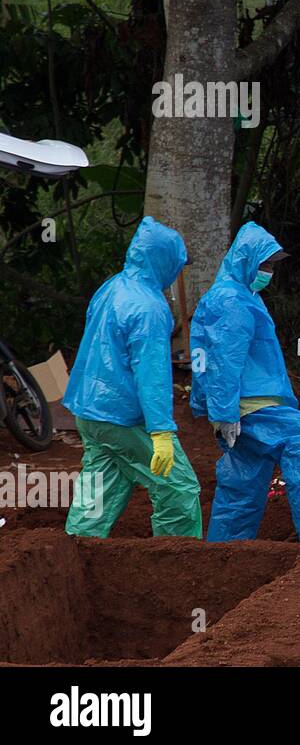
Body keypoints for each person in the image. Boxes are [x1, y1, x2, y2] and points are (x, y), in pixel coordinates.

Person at [189, 222, 300, 542]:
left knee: (244, 479)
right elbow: (225, 359)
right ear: (245, 260)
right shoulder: (234, 299)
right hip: (251, 402)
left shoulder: (235, 294)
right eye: (264, 264)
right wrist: (225, 411)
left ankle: (224, 551)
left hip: (240, 403)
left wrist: (222, 412)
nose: (269, 271)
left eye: (272, 265)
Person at [62, 217, 202, 538]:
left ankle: (76, 554)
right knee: (178, 488)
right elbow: (151, 375)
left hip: (88, 411)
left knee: (99, 489)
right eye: (178, 265)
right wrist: (162, 432)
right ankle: (176, 562)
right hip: (122, 415)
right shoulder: (150, 307)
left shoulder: (111, 287)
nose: (178, 272)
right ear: (164, 261)